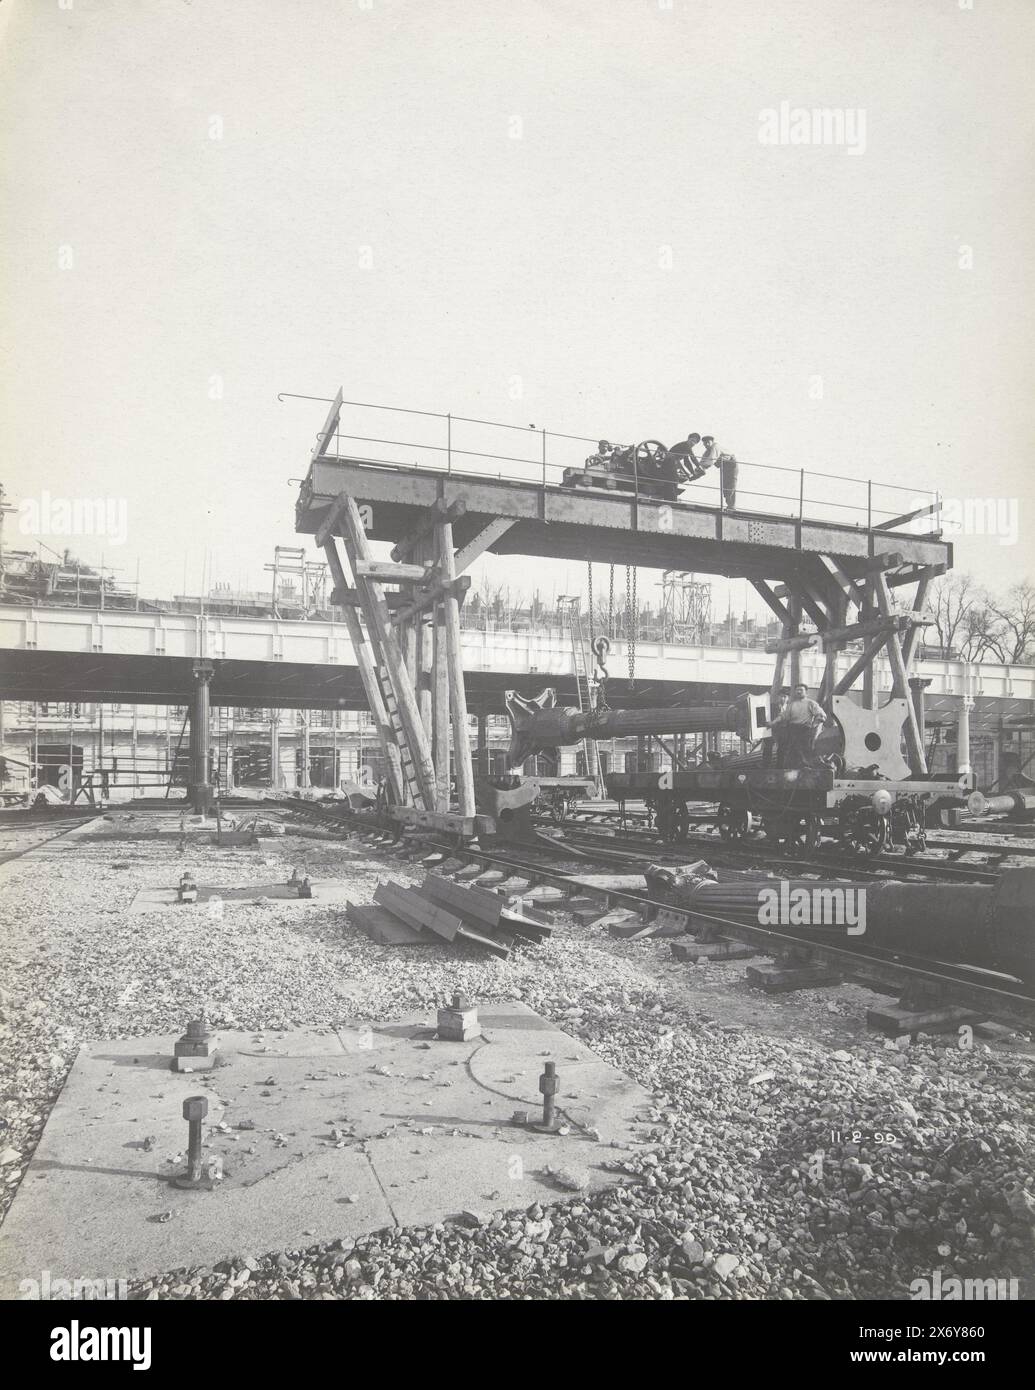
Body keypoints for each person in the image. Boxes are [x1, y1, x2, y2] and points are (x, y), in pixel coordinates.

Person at [773, 684, 827, 769]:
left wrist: (814, 725)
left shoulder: (811, 703)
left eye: (801, 690)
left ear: (806, 693)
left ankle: (806, 769)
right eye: (797, 690)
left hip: (804, 731)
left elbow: (821, 715)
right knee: (789, 753)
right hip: (792, 731)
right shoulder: (791, 705)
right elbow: (784, 716)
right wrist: (773, 722)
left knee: (804, 753)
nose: (798, 692)